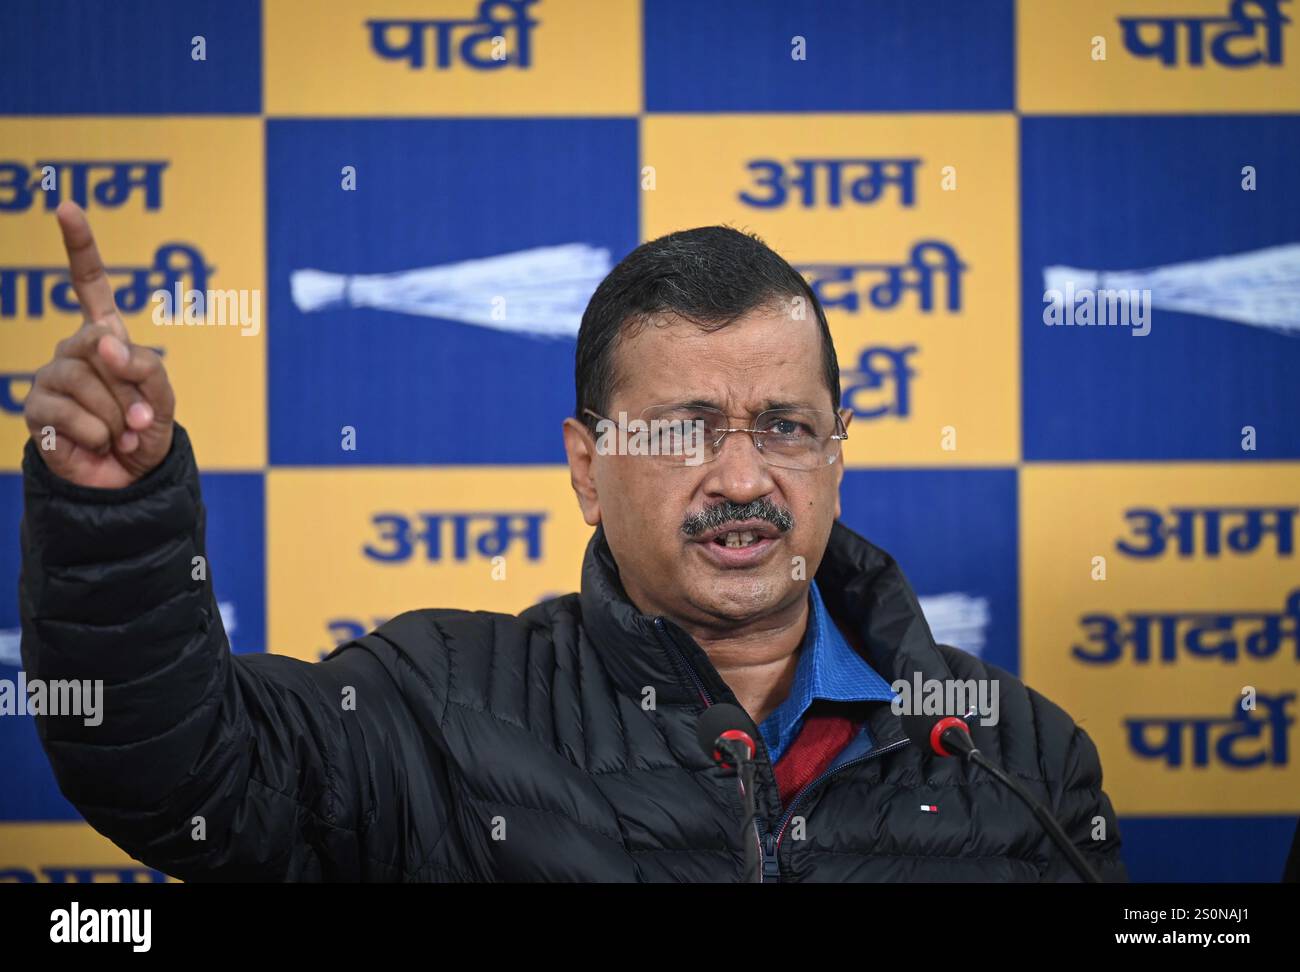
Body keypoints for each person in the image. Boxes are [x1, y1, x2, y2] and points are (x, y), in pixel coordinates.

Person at [19, 202, 1127, 882]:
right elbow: (185, 773)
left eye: (784, 428)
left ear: (836, 450)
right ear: (588, 466)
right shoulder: (431, 708)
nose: (742, 480)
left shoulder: (1017, 755)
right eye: (685, 431)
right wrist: (120, 512)